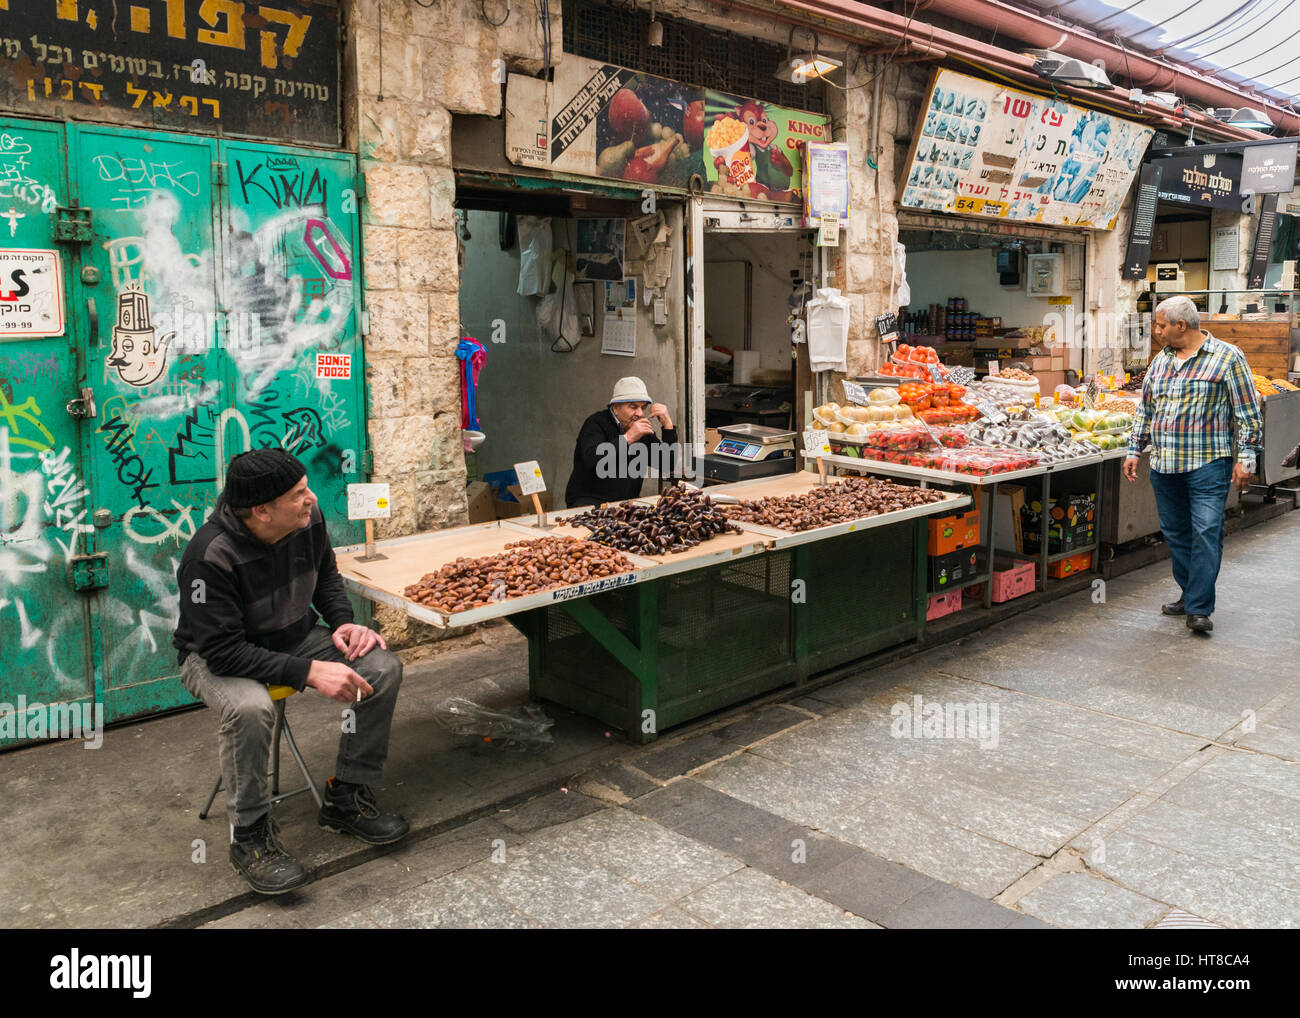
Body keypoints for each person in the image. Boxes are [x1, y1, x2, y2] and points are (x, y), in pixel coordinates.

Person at [174, 449, 408, 894]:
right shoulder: (208, 556)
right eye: (298, 493)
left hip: (294, 636)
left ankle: (346, 797)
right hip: (212, 656)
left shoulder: (306, 520)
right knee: (249, 708)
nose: (312, 499)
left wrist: (342, 622)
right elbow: (223, 653)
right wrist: (310, 671)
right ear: (262, 510)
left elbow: (326, 576)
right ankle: (250, 837)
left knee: (382, 667)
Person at [1123, 295, 1262, 634]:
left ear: (1180, 326)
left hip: (1208, 465)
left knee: (1206, 532)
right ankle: (1189, 593)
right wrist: (1133, 449)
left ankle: (1199, 607)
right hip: (1165, 465)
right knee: (1176, 534)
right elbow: (1146, 409)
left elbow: (1248, 413)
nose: (1156, 330)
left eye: (1160, 324)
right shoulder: (1161, 361)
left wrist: (1247, 458)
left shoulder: (1228, 357)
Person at [565, 376, 679, 507]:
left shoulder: (641, 430)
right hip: (590, 501)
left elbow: (667, 464)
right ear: (615, 407)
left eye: (643, 407)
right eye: (633, 407)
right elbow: (591, 459)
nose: (640, 413)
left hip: (626, 504)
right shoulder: (596, 423)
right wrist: (628, 438)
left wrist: (668, 426)